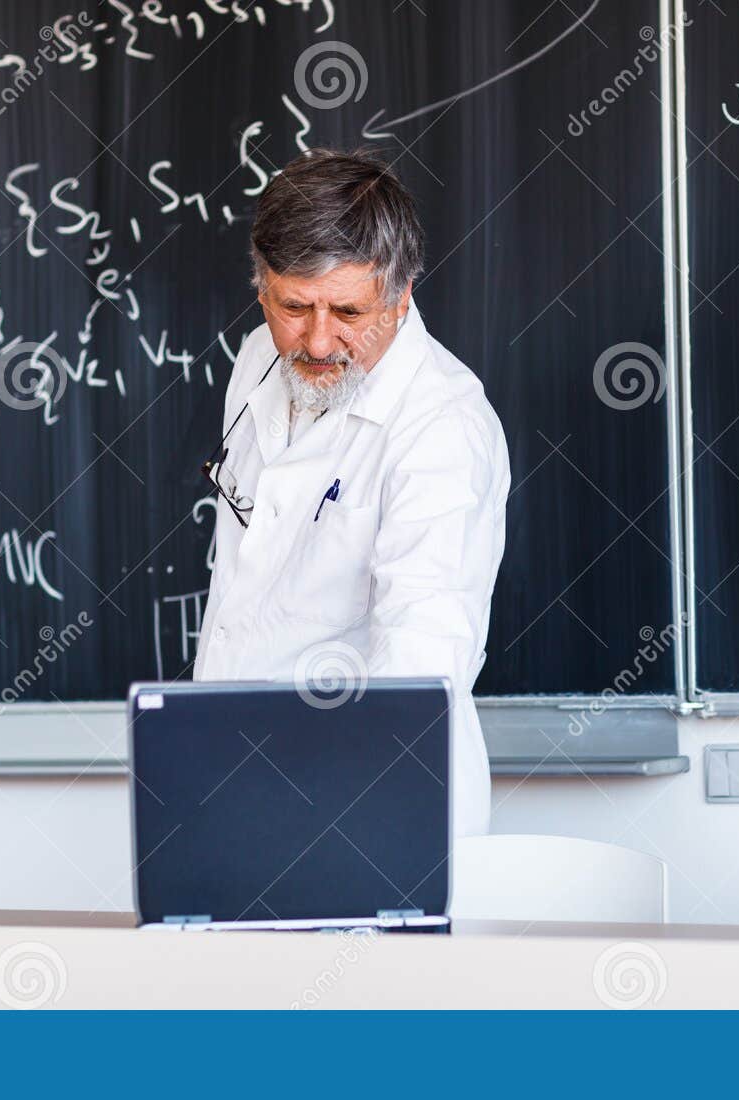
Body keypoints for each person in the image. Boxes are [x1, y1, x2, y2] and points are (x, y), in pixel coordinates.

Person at [192, 149, 510, 838]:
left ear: (401, 295)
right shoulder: (256, 360)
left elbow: (422, 659)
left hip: (367, 797)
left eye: (348, 310)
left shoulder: (441, 428)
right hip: (229, 769)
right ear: (261, 288)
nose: (316, 339)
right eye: (294, 306)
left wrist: (344, 824)